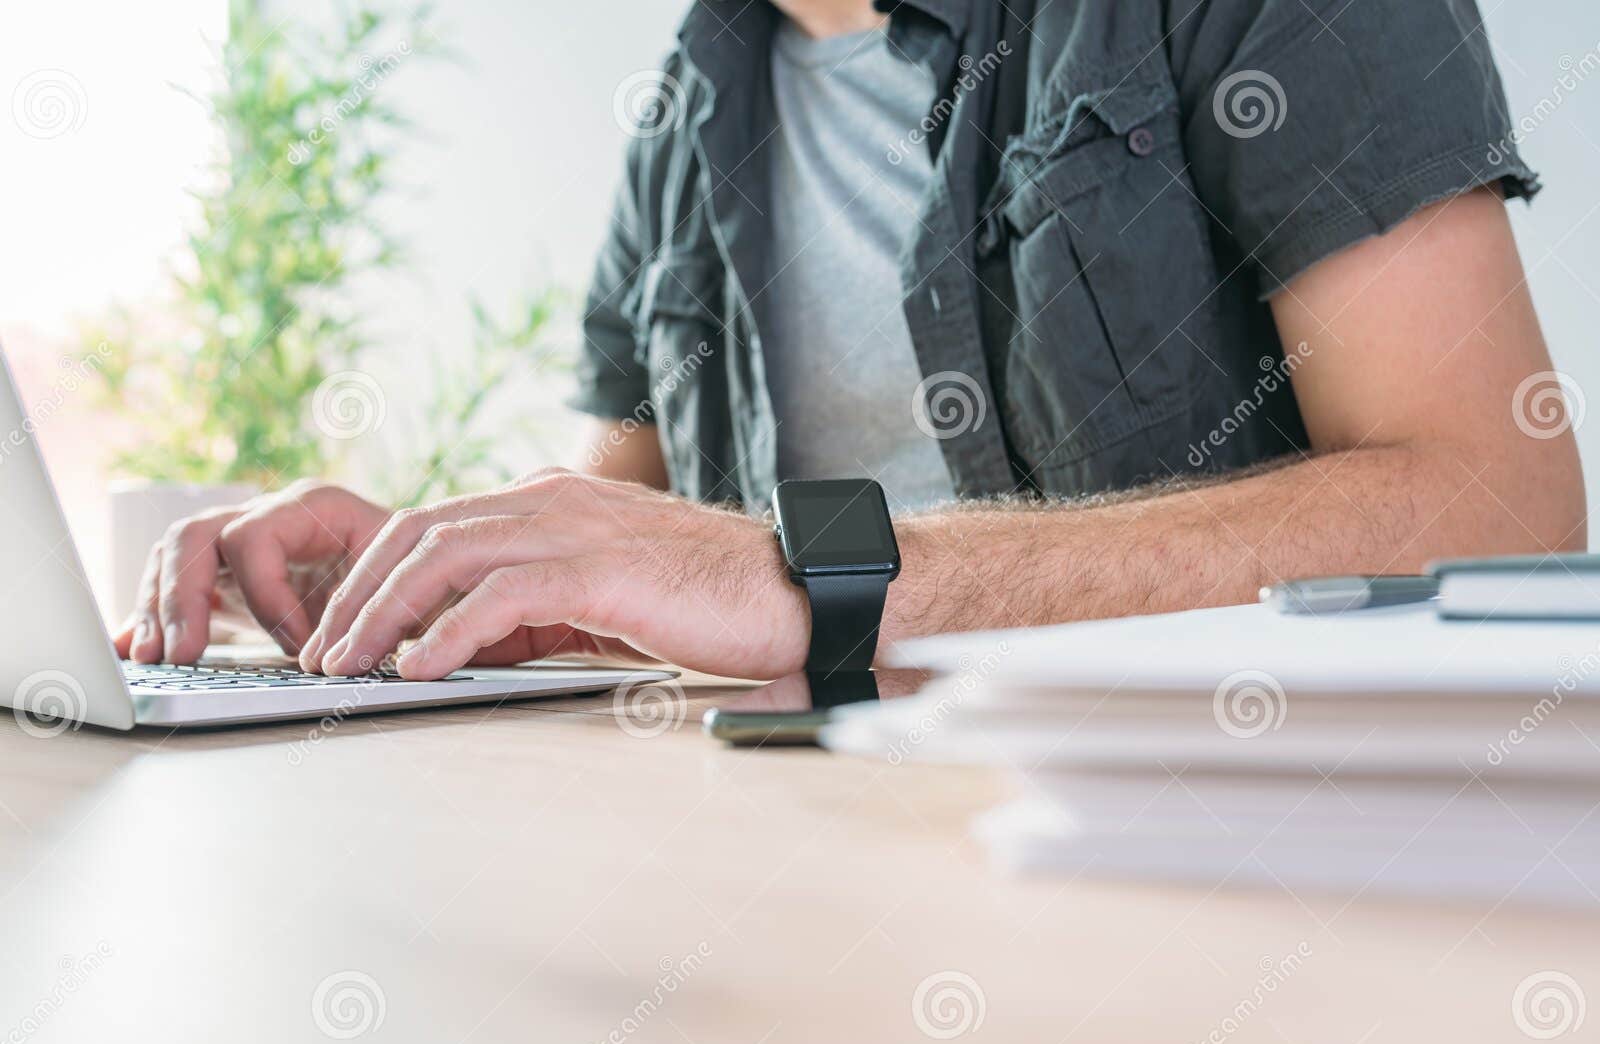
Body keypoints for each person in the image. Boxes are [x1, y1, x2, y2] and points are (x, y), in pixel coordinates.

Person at [116, 0, 1585, 681]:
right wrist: (431, 574)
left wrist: (820, 578)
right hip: (815, 847)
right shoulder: (687, 105)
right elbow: (620, 545)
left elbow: (1501, 501)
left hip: (1206, 859)